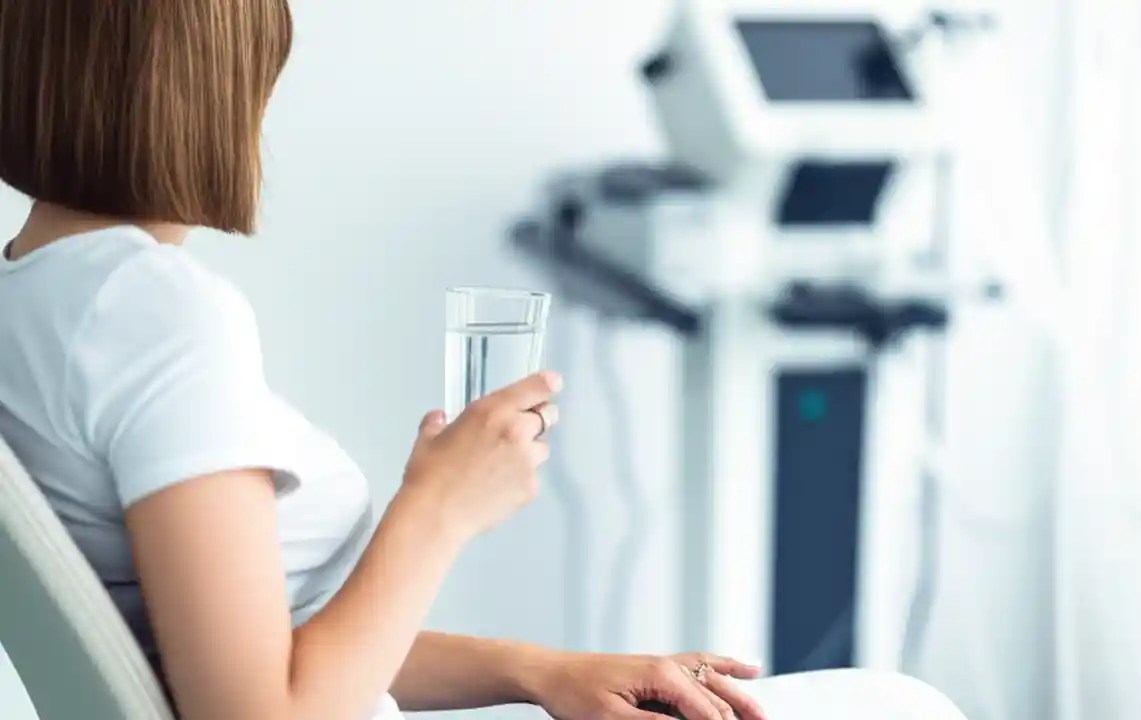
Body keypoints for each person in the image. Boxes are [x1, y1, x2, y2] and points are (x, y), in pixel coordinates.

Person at [0, 2, 765, 719]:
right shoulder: (153, 310)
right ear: (215, 81)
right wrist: (439, 505)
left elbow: (268, 654)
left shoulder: (36, 299)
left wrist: (540, 670)